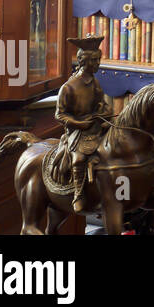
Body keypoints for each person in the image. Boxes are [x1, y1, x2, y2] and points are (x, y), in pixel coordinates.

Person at [53, 36, 113, 213]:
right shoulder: (69, 87)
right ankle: (78, 194)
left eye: (98, 59)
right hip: (78, 132)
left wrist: (105, 112)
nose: (97, 64)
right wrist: (79, 123)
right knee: (79, 158)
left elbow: (104, 104)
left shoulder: (95, 83)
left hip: (97, 125)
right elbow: (59, 114)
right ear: (82, 61)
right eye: (94, 60)